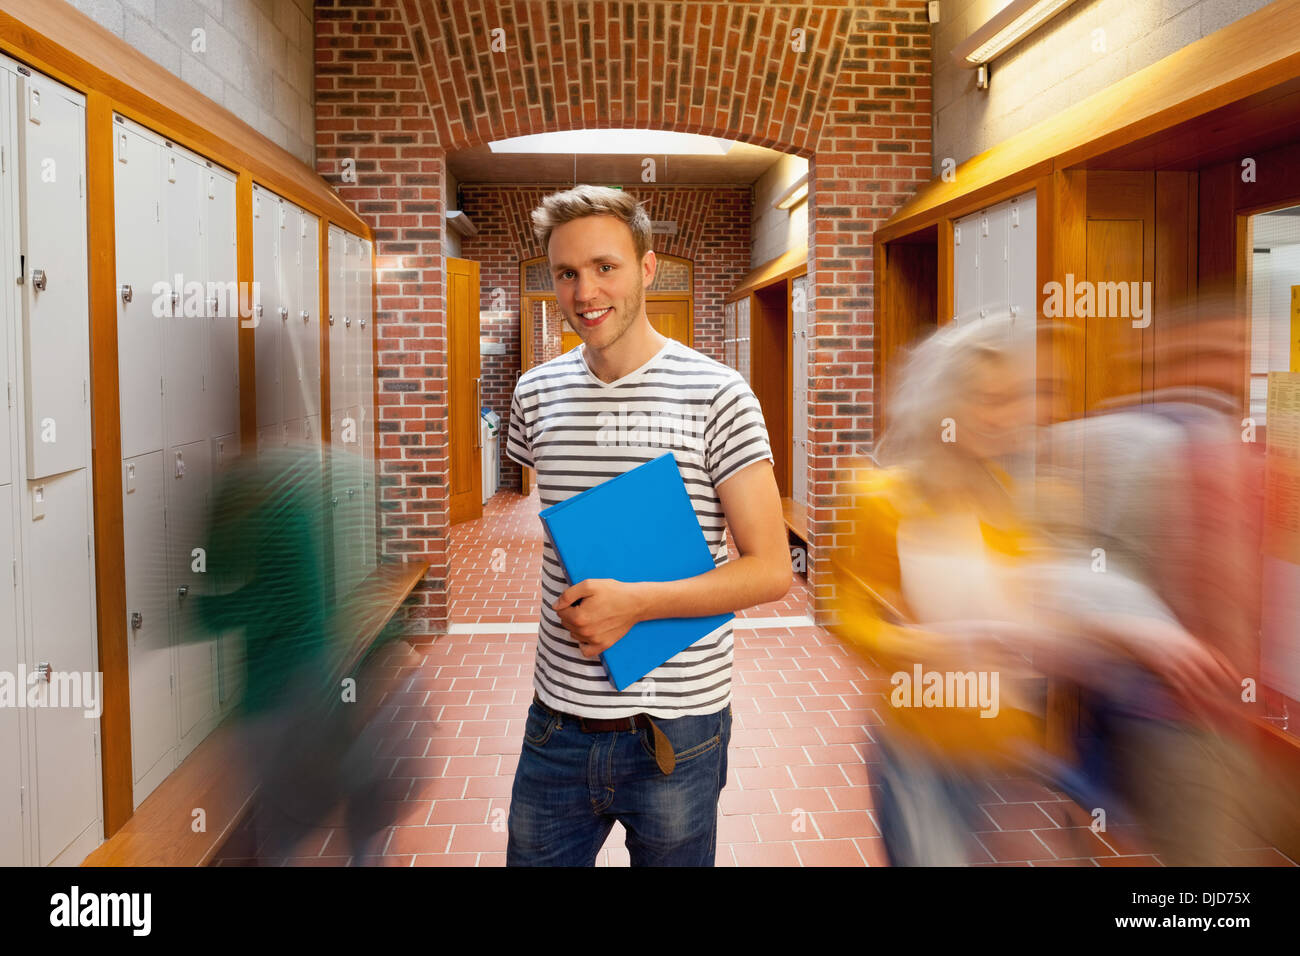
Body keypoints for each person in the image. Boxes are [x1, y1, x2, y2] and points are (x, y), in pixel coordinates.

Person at [504, 184, 791, 866]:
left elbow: (772, 570)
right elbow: (558, 528)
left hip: (675, 732)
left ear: (648, 268)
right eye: (566, 273)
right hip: (557, 723)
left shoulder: (720, 394)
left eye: (605, 267)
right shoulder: (533, 393)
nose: (584, 292)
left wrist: (636, 603)